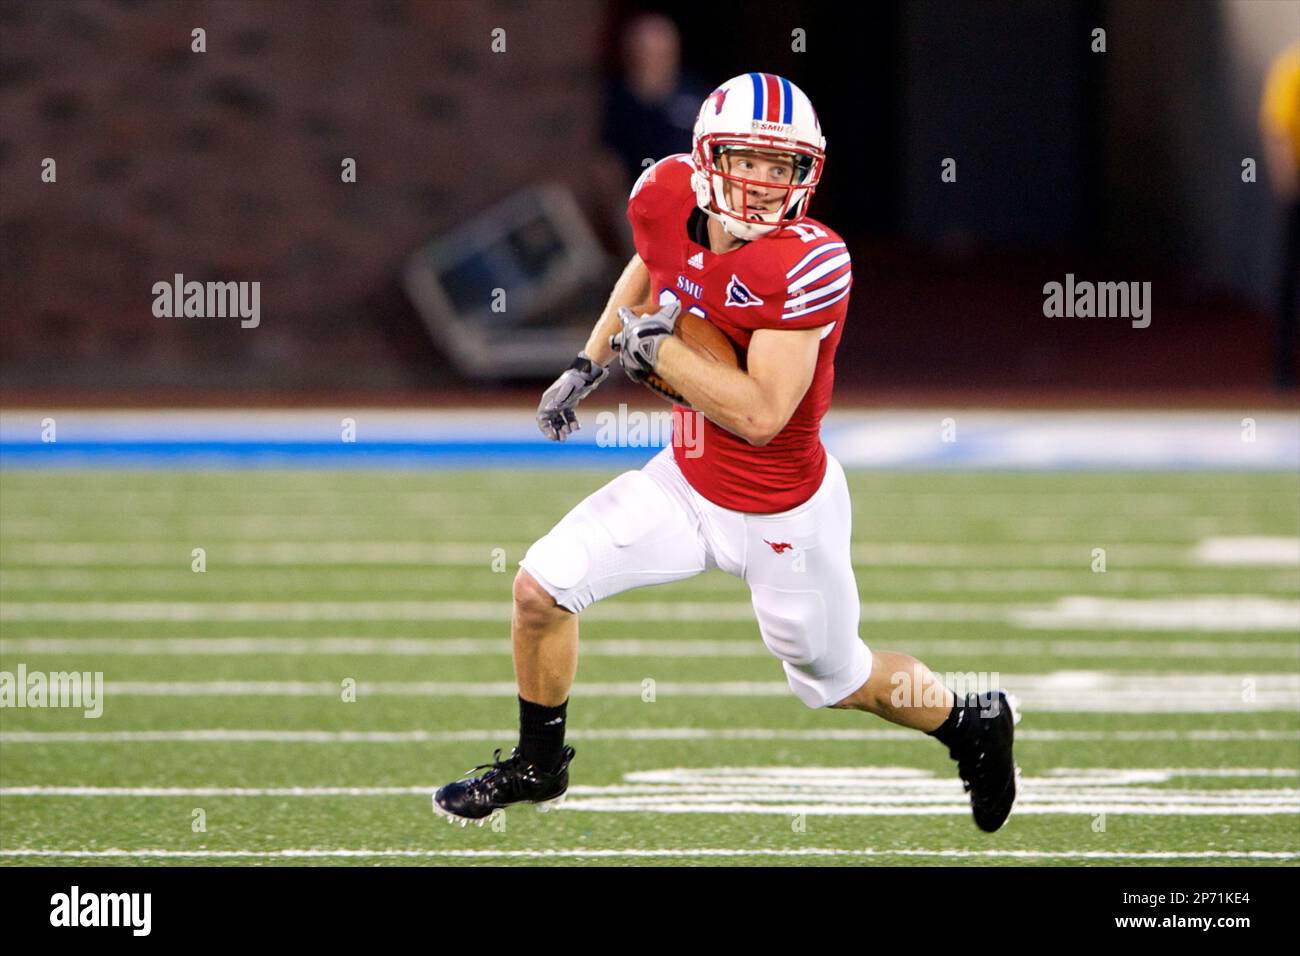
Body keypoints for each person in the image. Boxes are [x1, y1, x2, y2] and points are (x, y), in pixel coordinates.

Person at [433, 73, 1019, 832]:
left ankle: (971, 722)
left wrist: (661, 354)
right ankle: (539, 765)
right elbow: (651, 262)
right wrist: (591, 360)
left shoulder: (808, 261)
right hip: (685, 482)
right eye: (748, 160)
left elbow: (761, 415)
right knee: (540, 590)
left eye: (783, 167)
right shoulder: (663, 193)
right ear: (708, 157)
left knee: (838, 678)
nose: (764, 183)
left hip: (783, 512)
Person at [1260, 41, 1300, 389]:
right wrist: (1288, 185)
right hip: (1298, 189)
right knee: (1289, 279)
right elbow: (1278, 130)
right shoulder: (1291, 67)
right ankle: (1282, 367)